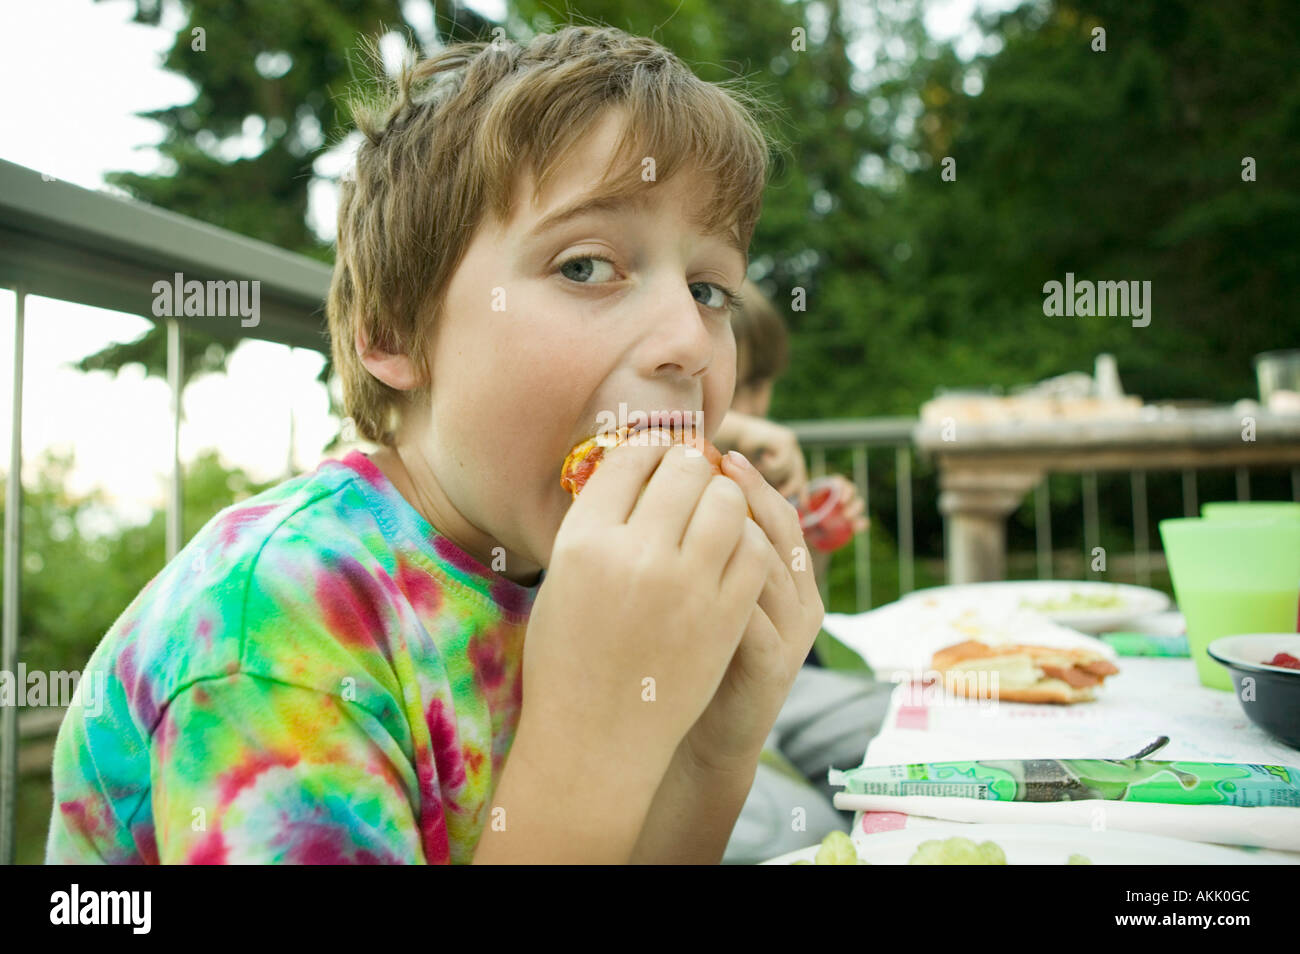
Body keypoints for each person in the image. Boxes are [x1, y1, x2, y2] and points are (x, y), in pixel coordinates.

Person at [46, 25, 823, 864]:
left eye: (710, 288)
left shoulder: (552, 554)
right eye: (587, 267)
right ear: (395, 329)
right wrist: (593, 738)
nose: (691, 340)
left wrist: (712, 750)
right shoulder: (272, 632)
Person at [712, 279, 895, 864]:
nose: (758, 405)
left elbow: (787, 608)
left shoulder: (750, 462)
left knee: (906, 726)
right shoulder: (675, 457)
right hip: (702, 700)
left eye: (762, 387)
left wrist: (811, 539)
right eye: (744, 386)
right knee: (810, 827)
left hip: (778, 683)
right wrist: (733, 435)